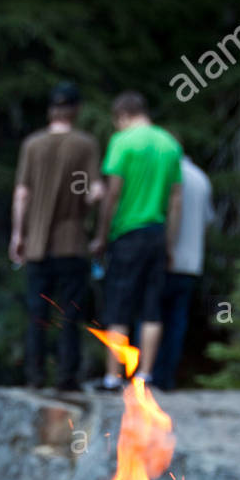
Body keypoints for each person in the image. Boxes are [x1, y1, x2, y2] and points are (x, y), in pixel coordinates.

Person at [9, 81, 102, 391]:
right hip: (71, 243)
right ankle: (66, 378)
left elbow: (22, 193)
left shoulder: (32, 145)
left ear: (51, 111)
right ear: (75, 110)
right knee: (70, 315)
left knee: (38, 314)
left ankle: (34, 377)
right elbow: (94, 192)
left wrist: (18, 234)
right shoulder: (85, 145)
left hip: (37, 245)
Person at [90, 92, 182, 390]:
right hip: (156, 232)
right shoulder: (169, 144)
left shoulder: (123, 142)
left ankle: (113, 376)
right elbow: (176, 199)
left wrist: (101, 235)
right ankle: (144, 375)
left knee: (119, 306)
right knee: (151, 307)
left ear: (122, 116)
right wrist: (170, 243)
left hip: (127, 234)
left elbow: (113, 192)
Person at [152, 153, 216, 391]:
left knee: (151, 317)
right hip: (191, 263)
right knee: (177, 322)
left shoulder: (164, 174)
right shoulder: (201, 178)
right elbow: (208, 221)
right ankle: (167, 379)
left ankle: (146, 376)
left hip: (163, 260)